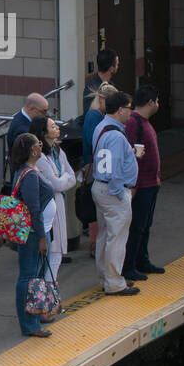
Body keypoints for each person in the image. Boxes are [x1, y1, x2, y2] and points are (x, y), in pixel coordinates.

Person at [92, 92, 139, 297]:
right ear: (120, 110)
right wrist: (121, 193)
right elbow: (114, 169)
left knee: (105, 234)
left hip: (99, 187)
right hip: (112, 191)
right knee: (117, 237)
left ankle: (105, 277)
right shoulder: (117, 136)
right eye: (129, 107)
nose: (131, 112)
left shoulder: (101, 127)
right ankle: (114, 283)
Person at [8, 133, 53, 338]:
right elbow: (34, 210)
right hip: (33, 234)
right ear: (32, 150)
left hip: (35, 232)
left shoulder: (26, 170)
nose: (41, 146)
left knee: (33, 275)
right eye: (39, 144)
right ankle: (30, 324)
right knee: (29, 277)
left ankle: (35, 316)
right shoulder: (30, 175)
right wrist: (42, 237)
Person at [123, 85, 164, 282]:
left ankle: (142, 260)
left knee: (145, 225)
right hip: (141, 185)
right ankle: (129, 265)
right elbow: (132, 156)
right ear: (150, 102)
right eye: (157, 101)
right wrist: (133, 186)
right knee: (137, 226)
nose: (158, 105)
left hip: (151, 183)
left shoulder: (143, 122)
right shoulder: (133, 123)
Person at [31, 114, 77, 289]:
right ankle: (46, 299)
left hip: (58, 204)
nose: (57, 128)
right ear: (43, 132)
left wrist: (62, 178)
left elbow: (71, 177)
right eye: (52, 126)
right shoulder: (41, 158)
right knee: (51, 256)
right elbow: (56, 184)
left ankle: (49, 299)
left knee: (56, 255)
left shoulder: (58, 151)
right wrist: (62, 179)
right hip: (48, 208)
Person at [81, 82, 117, 257]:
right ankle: (95, 245)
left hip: (95, 165)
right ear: (102, 100)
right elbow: (95, 144)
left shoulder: (95, 115)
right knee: (97, 210)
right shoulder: (94, 117)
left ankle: (96, 245)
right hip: (94, 167)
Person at [83, 47, 120, 112]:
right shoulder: (92, 89)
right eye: (117, 64)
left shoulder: (110, 83)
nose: (118, 66)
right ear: (111, 69)